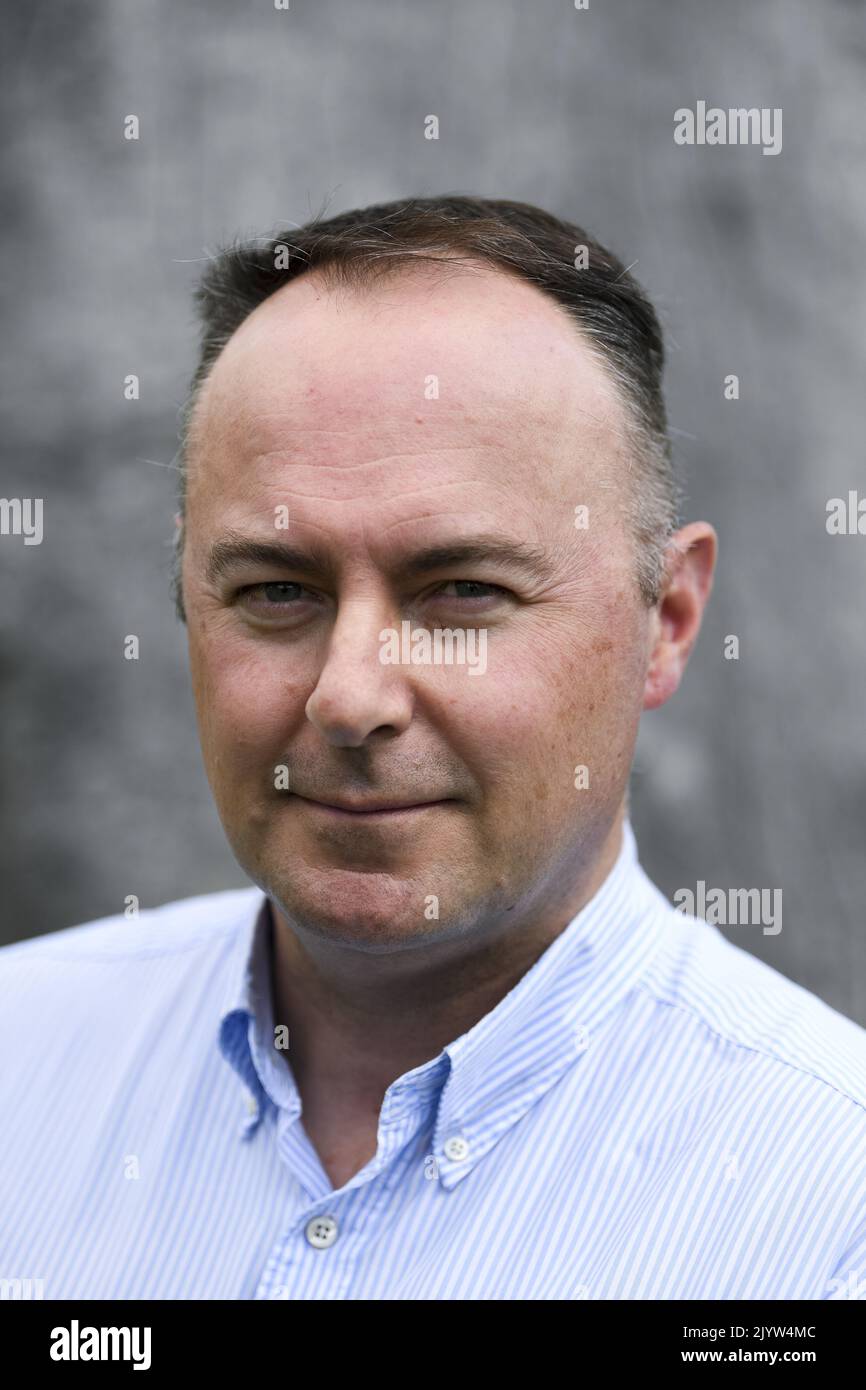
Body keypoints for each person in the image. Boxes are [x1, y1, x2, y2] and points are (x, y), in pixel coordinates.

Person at [1, 196, 864, 1301]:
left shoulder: (824, 1220)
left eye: (461, 592)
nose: (348, 696)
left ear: (666, 620)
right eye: (275, 590)